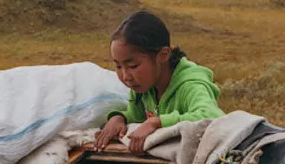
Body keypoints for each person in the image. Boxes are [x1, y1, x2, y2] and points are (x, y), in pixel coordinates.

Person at [94, 11, 224, 153]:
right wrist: (119, 118)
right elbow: (136, 116)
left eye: (133, 66)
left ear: (163, 55)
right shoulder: (144, 87)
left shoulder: (190, 85)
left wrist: (157, 122)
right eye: (118, 66)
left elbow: (213, 116)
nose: (126, 77)